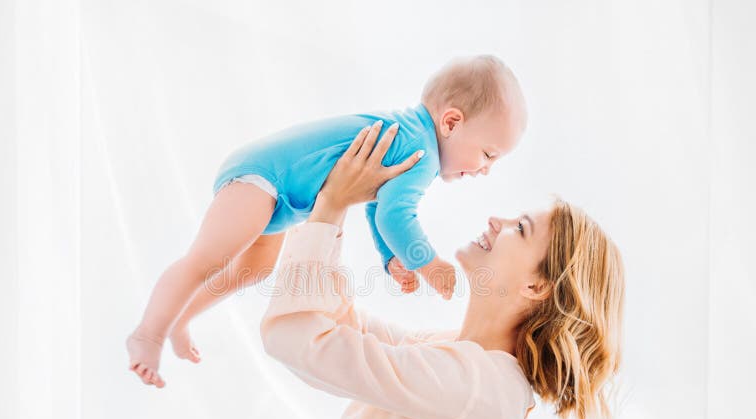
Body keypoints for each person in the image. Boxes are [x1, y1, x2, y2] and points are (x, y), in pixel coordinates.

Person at [259, 123, 625, 419]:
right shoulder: (457, 357)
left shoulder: (472, 382)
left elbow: (302, 342)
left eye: (520, 229)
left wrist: (328, 208)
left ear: (536, 286)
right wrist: (333, 206)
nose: (495, 221)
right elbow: (340, 325)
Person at [127, 55, 527, 388]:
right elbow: (394, 213)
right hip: (263, 179)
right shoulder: (419, 151)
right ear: (452, 122)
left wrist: (390, 258)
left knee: (256, 266)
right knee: (206, 259)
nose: (485, 170)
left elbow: (376, 204)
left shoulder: (411, 137)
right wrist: (427, 263)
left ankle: (180, 315)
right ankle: (148, 333)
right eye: (488, 155)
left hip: (279, 196)